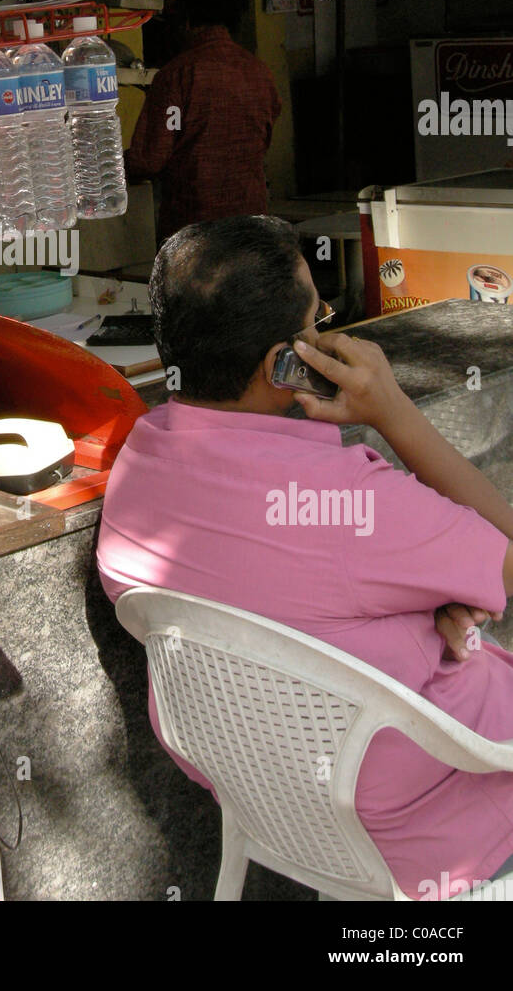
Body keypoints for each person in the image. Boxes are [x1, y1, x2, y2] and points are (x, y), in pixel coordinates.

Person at [97, 215, 513, 900]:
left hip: (280, 809)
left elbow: (293, 591)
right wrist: (392, 412)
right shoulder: (347, 501)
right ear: (283, 365)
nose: (328, 326)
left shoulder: (139, 464)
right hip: (443, 820)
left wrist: (428, 599)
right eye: (318, 316)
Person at [125, 0, 281, 246]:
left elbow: (148, 160)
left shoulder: (176, 75)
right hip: (252, 225)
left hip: (195, 232)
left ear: (186, 21)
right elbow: (263, 141)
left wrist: (104, 168)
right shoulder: (259, 72)